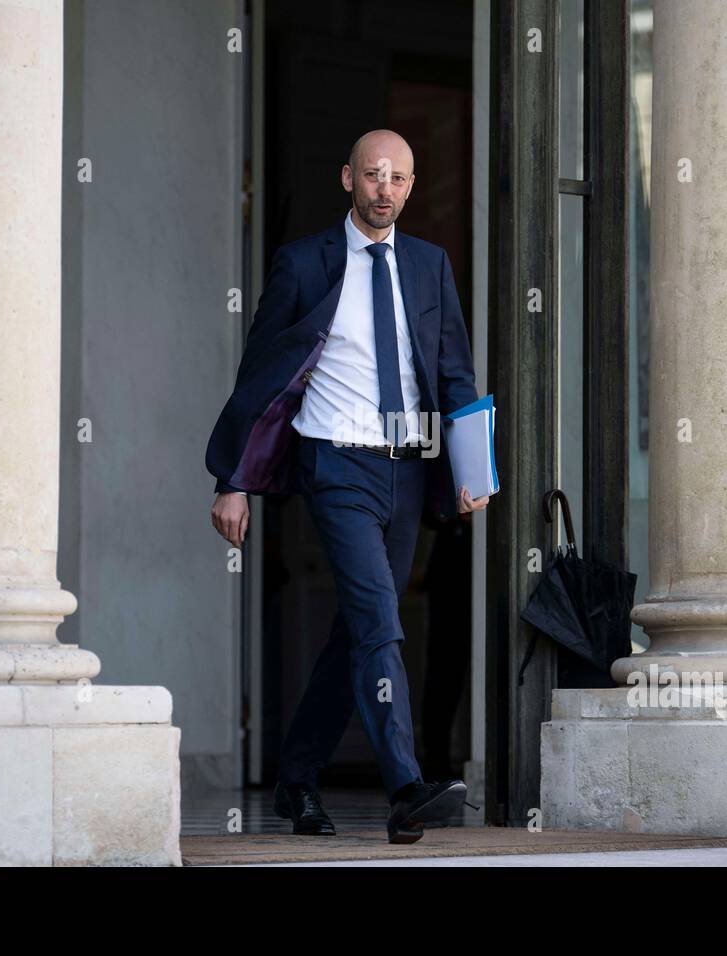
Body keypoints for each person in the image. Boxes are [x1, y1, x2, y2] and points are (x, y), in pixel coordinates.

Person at [205, 129, 489, 843]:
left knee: (357, 633)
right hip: (336, 465)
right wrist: (231, 480)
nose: (384, 188)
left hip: (406, 469)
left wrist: (473, 467)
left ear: (412, 186)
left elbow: (454, 372)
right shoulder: (305, 263)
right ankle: (406, 785)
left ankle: (297, 780)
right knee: (380, 622)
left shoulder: (429, 266)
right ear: (347, 179)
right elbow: (260, 374)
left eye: (398, 177)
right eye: (372, 175)